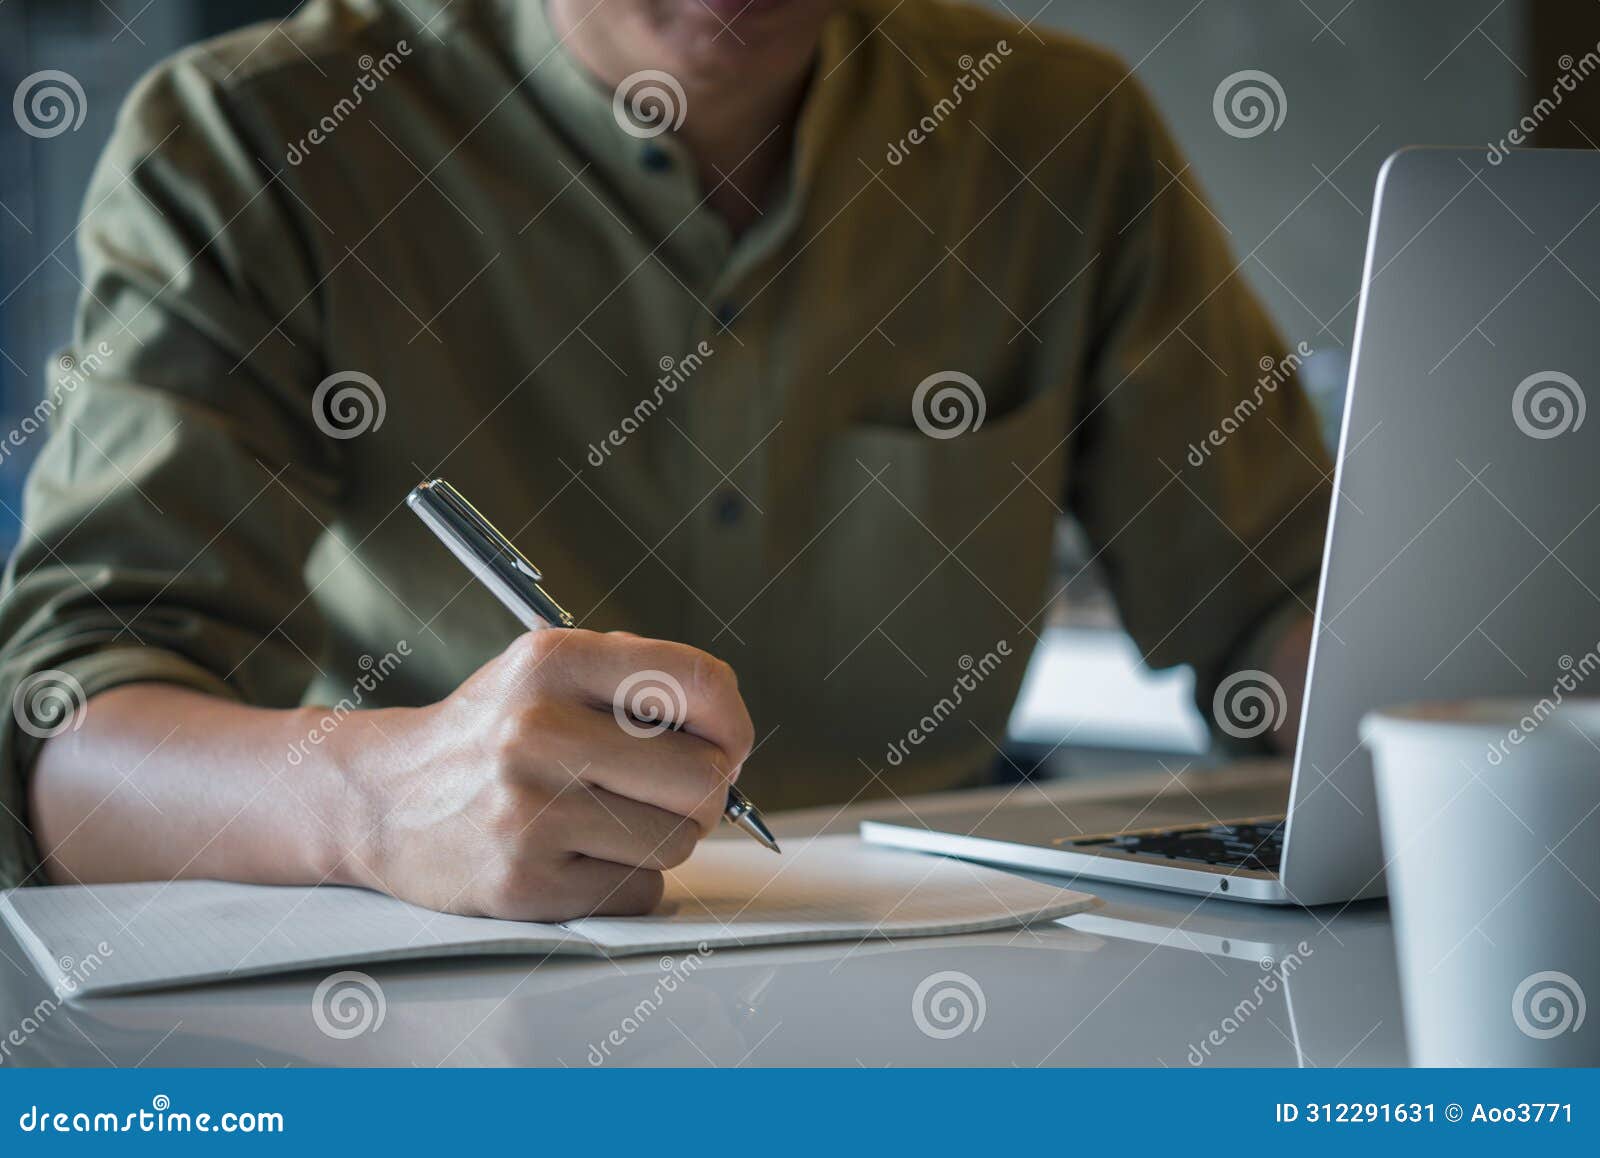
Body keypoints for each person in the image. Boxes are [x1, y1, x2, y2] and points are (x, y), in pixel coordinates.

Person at [0, 0, 1328, 918]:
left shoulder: (1060, 135)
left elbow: (1285, 604)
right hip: (443, 993)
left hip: (953, 968)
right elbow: (66, 737)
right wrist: (372, 806)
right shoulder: (254, 139)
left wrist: (1417, 728)